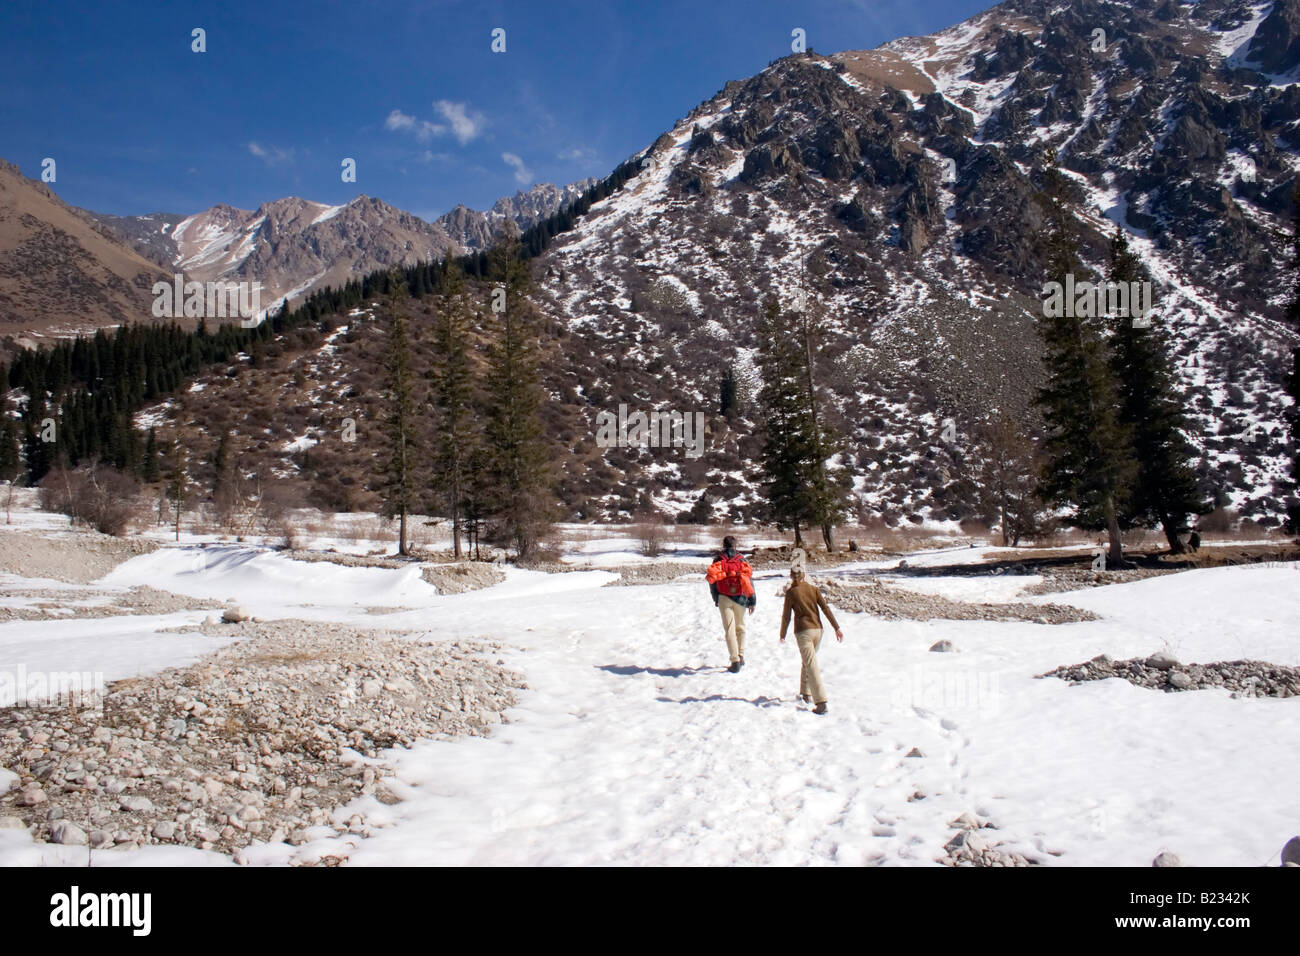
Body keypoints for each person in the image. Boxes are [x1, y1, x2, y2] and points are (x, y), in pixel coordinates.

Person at [779, 568, 843, 715]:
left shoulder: (791, 592)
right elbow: (825, 608)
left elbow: (786, 616)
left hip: (803, 631)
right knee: (808, 661)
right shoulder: (813, 589)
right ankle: (805, 693)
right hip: (818, 631)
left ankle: (821, 702)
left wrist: (782, 633)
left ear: (791, 577)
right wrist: (836, 628)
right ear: (804, 576)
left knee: (811, 664)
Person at [706, 535, 755, 672]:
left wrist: (716, 598)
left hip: (724, 597)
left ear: (723, 545)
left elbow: (712, 581)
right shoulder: (742, 559)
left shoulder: (717, 560)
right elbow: (749, 581)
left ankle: (735, 662)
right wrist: (752, 600)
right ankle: (741, 655)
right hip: (740, 597)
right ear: (735, 545)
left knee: (729, 629)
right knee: (741, 627)